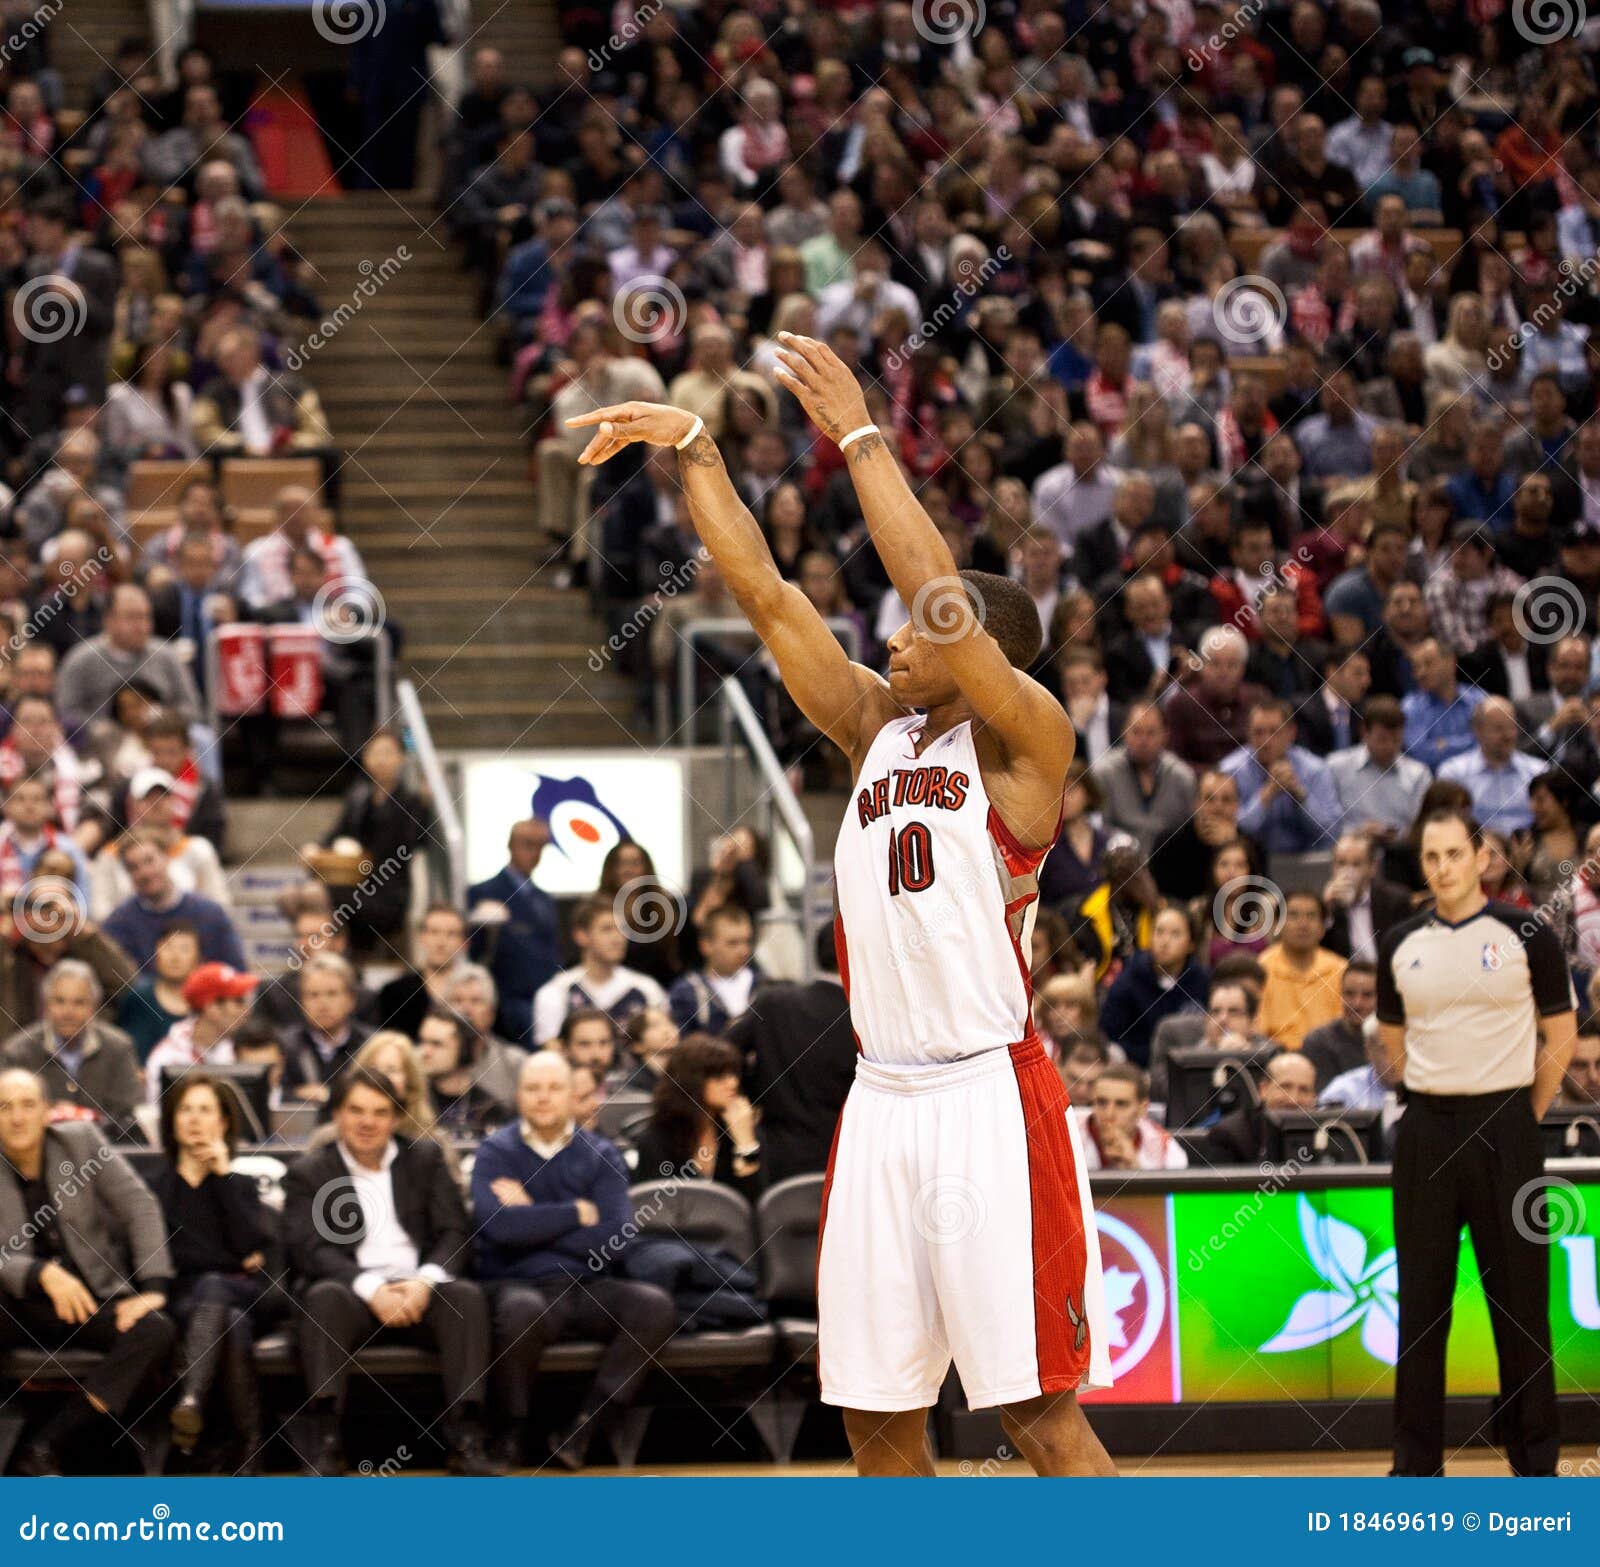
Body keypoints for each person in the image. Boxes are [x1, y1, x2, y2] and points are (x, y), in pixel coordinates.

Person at [568, 345, 1115, 1478]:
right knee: (873, 1419)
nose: (893, 636)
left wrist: (860, 436)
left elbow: (940, 601)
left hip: (986, 1095)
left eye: (921, 632)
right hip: (882, 1098)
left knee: (1035, 1418)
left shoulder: (1027, 743)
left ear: (985, 661)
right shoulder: (876, 731)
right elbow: (766, 597)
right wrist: (696, 455)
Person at [1376, 806, 1577, 1477]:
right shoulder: (1401, 939)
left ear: (1480, 853)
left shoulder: (1526, 930)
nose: (1442, 868)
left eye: (1453, 854)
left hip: (1507, 1128)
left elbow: (1562, 1034)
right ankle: (1415, 1466)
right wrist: (1439, 1095)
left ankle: (1536, 1462)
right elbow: (1395, 1043)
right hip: (1427, 1132)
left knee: (1522, 1305)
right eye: (1430, 858)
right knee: (1421, 1305)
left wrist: (1519, 1112)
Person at [282, 1067, 503, 1477]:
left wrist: (424, 1281)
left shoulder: (425, 1159)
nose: (367, 1122)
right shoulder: (310, 1171)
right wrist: (370, 1288)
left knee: (466, 1299)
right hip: (351, 1290)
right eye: (356, 1110)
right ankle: (326, 1442)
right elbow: (309, 1248)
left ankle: (466, 1438)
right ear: (338, 1116)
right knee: (323, 1298)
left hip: (417, 1287)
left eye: (380, 1112)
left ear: (397, 1118)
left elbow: (455, 1231)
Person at [471, 1053, 676, 1470]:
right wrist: (575, 1212)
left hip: (585, 1284)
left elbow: (616, 1239)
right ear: (517, 1095)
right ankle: (509, 1433)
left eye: (554, 1088)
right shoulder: (496, 1151)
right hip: (519, 1284)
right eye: (533, 1088)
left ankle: (584, 1429)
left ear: (573, 1096)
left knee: (654, 1306)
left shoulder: (600, 1153)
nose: (543, 1097)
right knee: (520, 1311)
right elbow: (500, 1231)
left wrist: (532, 1216)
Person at [0, 1068, 177, 1475]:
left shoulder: (81, 1142)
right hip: (19, 1307)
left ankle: (48, 1442)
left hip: (90, 1299)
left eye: (28, 1105)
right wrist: (39, 1272)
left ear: (47, 1112)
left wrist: (153, 1286)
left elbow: (140, 1205)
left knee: (156, 1329)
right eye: (5, 1107)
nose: (17, 1117)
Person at [148, 1073, 277, 1471]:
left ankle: (191, 1400)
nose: (194, 1119)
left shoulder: (240, 1183)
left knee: (216, 1285)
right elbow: (160, 1261)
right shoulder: (154, 1188)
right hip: (188, 1299)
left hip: (245, 1291)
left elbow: (249, 1248)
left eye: (206, 1110)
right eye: (185, 1109)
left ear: (223, 1122)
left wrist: (223, 1176)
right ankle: (251, 1448)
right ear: (171, 1121)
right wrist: (227, 1258)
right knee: (231, 1323)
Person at [726, 927, 858, 1184]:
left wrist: (750, 1092)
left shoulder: (774, 1002)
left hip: (778, 1161)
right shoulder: (867, 1018)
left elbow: (719, 1055)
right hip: (847, 1163)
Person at [1, 960, 142, 1140]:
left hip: (105, 1152)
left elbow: (129, 1116)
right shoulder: (18, 1052)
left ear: (93, 1008)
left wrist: (83, 1118)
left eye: (79, 1003)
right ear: (46, 1005)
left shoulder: (119, 1048)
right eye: (59, 1001)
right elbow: (7, 1114)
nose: (68, 1012)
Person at [631, 1034, 765, 1200]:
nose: (733, 1084)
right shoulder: (657, 1139)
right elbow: (653, 1206)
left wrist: (745, 1145)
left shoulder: (741, 1130)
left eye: (733, 1074)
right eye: (719, 1076)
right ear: (691, 1080)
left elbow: (756, 1207)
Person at [466, 818, 561, 1043]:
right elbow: (475, 952)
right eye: (528, 844)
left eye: (540, 846)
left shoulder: (544, 900)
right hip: (505, 1003)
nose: (534, 853)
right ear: (511, 845)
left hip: (543, 999)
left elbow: (552, 951)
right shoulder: (484, 893)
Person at [530, 897, 668, 1045]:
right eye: (607, 929)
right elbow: (553, 1055)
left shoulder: (647, 989)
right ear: (581, 936)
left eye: (623, 930)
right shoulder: (556, 992)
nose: (618, 938)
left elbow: (664, 1044)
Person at [101, 834, 245, 971]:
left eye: (149, 861)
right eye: (133, 867)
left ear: (167, 858)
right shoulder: (118, 924)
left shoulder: (209, 914)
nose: (145, 872)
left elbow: (235, 970)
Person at [1220, 697, 1340, 852]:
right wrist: (1266, 795)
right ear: (1248, 733)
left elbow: (1331, 833)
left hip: (1307, 861)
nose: (1266, 741)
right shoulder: (1230, 771)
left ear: (1291, 733)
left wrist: (1300, 796)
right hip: (1250, 863)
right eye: (1258, 732)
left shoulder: (1315, 769)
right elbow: (1230, 832)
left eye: (1274, 732)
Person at [1096, 904, 1207, 1067]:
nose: (1164, 941)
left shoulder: (1201, 980)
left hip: (1189, 1067)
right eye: (1159, 932)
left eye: (1175, 934)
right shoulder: (1129, 979)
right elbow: (1108, 1035)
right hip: (1135, 1068)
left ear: (1191, 944)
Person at [143, 960, 258, 1102]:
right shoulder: (167, 1057)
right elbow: (160, 1118)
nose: (247, 1011)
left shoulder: (235, 1049)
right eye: (239, 1001)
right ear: (212, 1008)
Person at [1327, 697, 1431, 841]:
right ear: (1364, 733)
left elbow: (1422, 828)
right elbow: (1325, 824)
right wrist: (1357, 833)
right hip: (1351, 850)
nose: (1389, 746)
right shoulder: (1336, 767)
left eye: (1396, 739)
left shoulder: (1419, 774)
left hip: (1402, 854)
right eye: (1382, 739)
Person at [1437, 696, 1544, 835]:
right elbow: (1446, 825)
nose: (1508, 735)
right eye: (1499, 729)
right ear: (1478, 730)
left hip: (1529, 847)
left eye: (1512, 727)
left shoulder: (1539, 771)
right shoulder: (1453, 774)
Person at [1257, 891, 1348, 1051]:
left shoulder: (1340, 969)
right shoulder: (1261, 968)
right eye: (1293, 915)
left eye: (1311, 916)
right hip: (1276, 1057)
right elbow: (1257, 1032)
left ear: (1322, 927)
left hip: (1330, 1057)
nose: (1303, 924)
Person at [280, 954, 373, 1102]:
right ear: (301, 1002)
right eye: (313, 995)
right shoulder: (284, 1046)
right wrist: (296, 1094)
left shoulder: (372, 1046)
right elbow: (273, 1096)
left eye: (332, 994)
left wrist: (330, 1096)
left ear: (351, 1000)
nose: (322, 1004)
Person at [1204, 1050, 1319, 1163]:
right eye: (1285, 1087)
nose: (1293, 1099)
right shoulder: (1230, 1135)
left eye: (1304, 1090)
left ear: (1314, 1096)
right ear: (1263, 1089)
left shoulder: (1326, 1135)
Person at [667, 903, 760, 1036]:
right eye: (733, 943)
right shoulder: (685, 993)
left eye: (747, 941)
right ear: (706, 946)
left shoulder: (764, 986)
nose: (744, 951)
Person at [1321, 832, 1412, 963]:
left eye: (1356, 864)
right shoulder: (1328, 905)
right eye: (1341, 863)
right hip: (1345, 979)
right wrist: (1326, 912)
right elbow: (1320, 956)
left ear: (1372, 868)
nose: (1347, 872)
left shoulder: (1395, 900)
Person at [1077, 1064, 1188, 1171]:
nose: (1109, 1114)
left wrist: (1133, 1169)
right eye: (1101, 1102)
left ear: (1142, 1108)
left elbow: (1177, 1188)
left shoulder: (1164, 1148)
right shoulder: (1067, 1136)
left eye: (1121, 1104)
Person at [1301, 962, 1381, 1087]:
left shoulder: (1393, 1042)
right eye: (1349, 994)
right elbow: (1324, 1101)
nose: (1357, 1004)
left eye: (1367, 995)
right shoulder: (1318, 1042)